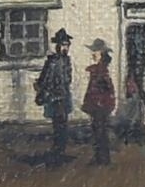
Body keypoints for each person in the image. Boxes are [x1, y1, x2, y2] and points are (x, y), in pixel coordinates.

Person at [33, 28, 74, 164]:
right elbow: (45, 79)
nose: (65, 47)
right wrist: (45, 90)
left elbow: (68, 79)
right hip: (56, 98)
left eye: (67, 45)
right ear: (58, 46)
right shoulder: (52, 62)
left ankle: (60, 151)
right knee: (58, 125)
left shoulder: (66, 61)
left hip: (64, 96)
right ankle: (57, 152)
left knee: (62, 125)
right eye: (63, 45)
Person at [82, 38, 117, 168]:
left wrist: (99, 102)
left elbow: (105, 89)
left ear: (101, 54)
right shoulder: (98, 70)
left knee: (100, 132)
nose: (93, 54)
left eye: (95, 52)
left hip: (100, 106)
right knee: (98, 132)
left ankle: (103, 158)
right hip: (97, 105)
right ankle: (100, 157)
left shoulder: (101, 71)